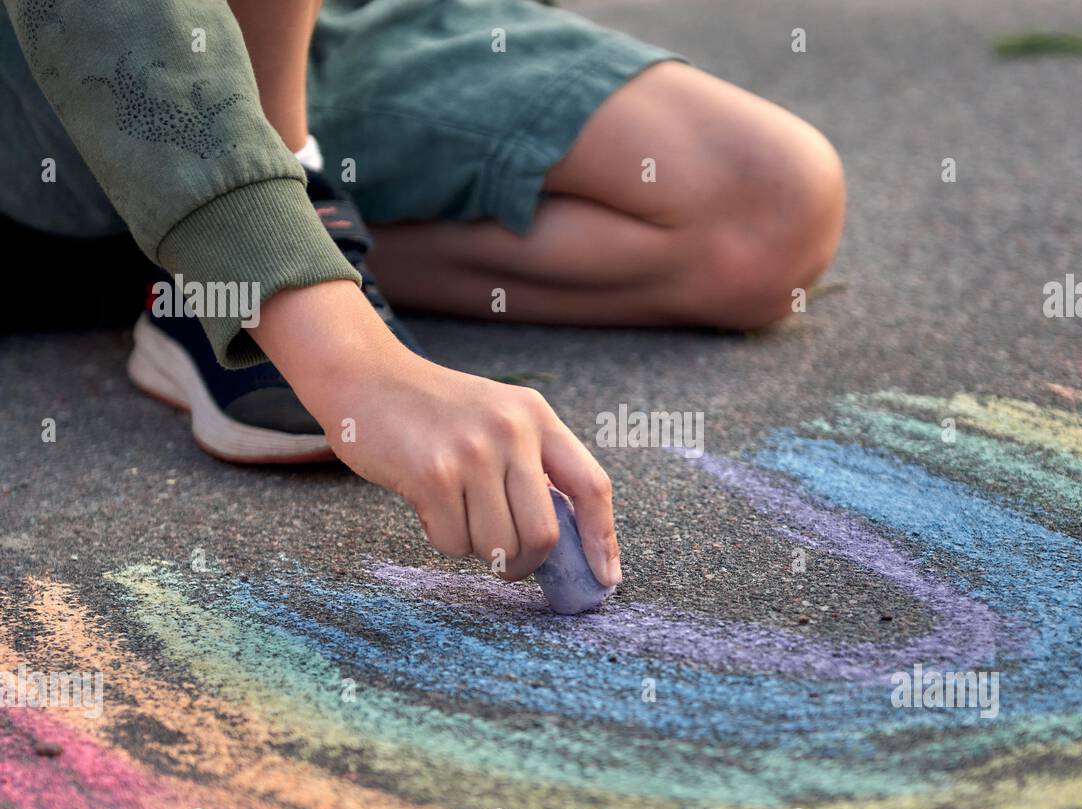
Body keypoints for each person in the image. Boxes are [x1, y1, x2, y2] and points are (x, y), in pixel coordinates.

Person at [0, 0, 845, 588]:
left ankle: (214, 252)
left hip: (296, 36)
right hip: (68, 52)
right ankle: (236, 254)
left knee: (770, 208)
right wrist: (358, 367)